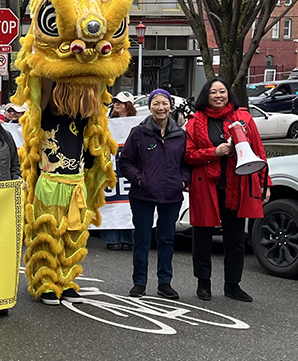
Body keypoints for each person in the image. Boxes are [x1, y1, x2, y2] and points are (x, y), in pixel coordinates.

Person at [185, 78, 269, 302]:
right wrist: (214, 152)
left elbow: (258, 151)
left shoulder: (243, 118)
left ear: (228, 94)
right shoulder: (194, 122)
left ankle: (233, 284)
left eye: (222, 91)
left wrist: (265, 182)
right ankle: (203, 283)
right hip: (206, 186)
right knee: (202, 237)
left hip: (236, 186)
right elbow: (188, 155)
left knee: (235, 239)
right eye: (213, 92)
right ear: (206, 96)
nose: (218, 96)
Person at [120, 89, 190, 300]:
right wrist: (140, 179)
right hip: (143, 194)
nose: (161, 108)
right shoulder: (139, 132)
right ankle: (139, 281)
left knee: (167, 239)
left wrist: (183, 180)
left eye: (164, 104)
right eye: (156, 104)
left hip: (171, 194)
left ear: (170, 106)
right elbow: (125, 162)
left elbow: (186, 163)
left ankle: (165, 282)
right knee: (142, 239)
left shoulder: (180, 134)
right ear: (149, 107)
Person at [101, 91, 139, 250]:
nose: (117, 104)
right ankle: (111, 238)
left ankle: (127, 238)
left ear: (128, 105)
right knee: (111, 200)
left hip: (129, 168)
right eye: (115, 101)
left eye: (121, 102)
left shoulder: (137, 124)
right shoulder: (108, 123)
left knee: (127, 202)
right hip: (111, 166)